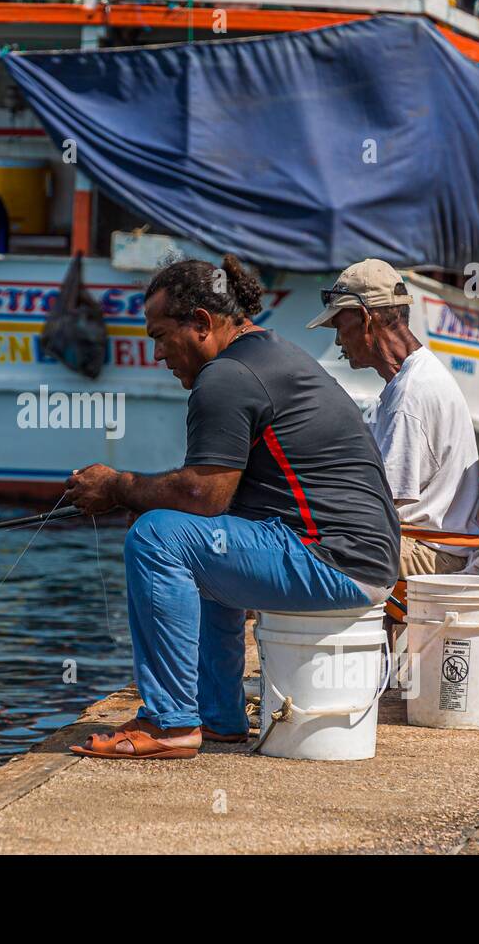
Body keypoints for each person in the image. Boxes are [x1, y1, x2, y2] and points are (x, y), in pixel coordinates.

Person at [64, 255, 400, 759]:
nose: (157, 353)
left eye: (159, 336)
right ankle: (216, 715)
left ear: (201, 323)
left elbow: (203, 493)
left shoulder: (226, 376)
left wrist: (116, 486)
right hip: (360, 559)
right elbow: (209, 508)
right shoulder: (268, 353)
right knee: (191, 533)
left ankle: (170, 724)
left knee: (158, 538)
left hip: (335, 560)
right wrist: (141, 496)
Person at [307, 258, 479, 578]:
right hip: (431, 543)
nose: (337, 343)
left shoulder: (410, 394)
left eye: (339, 327)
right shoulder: (411, 378)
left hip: (429, 551)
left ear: (364, 318)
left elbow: (376, 502)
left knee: (298, 550)